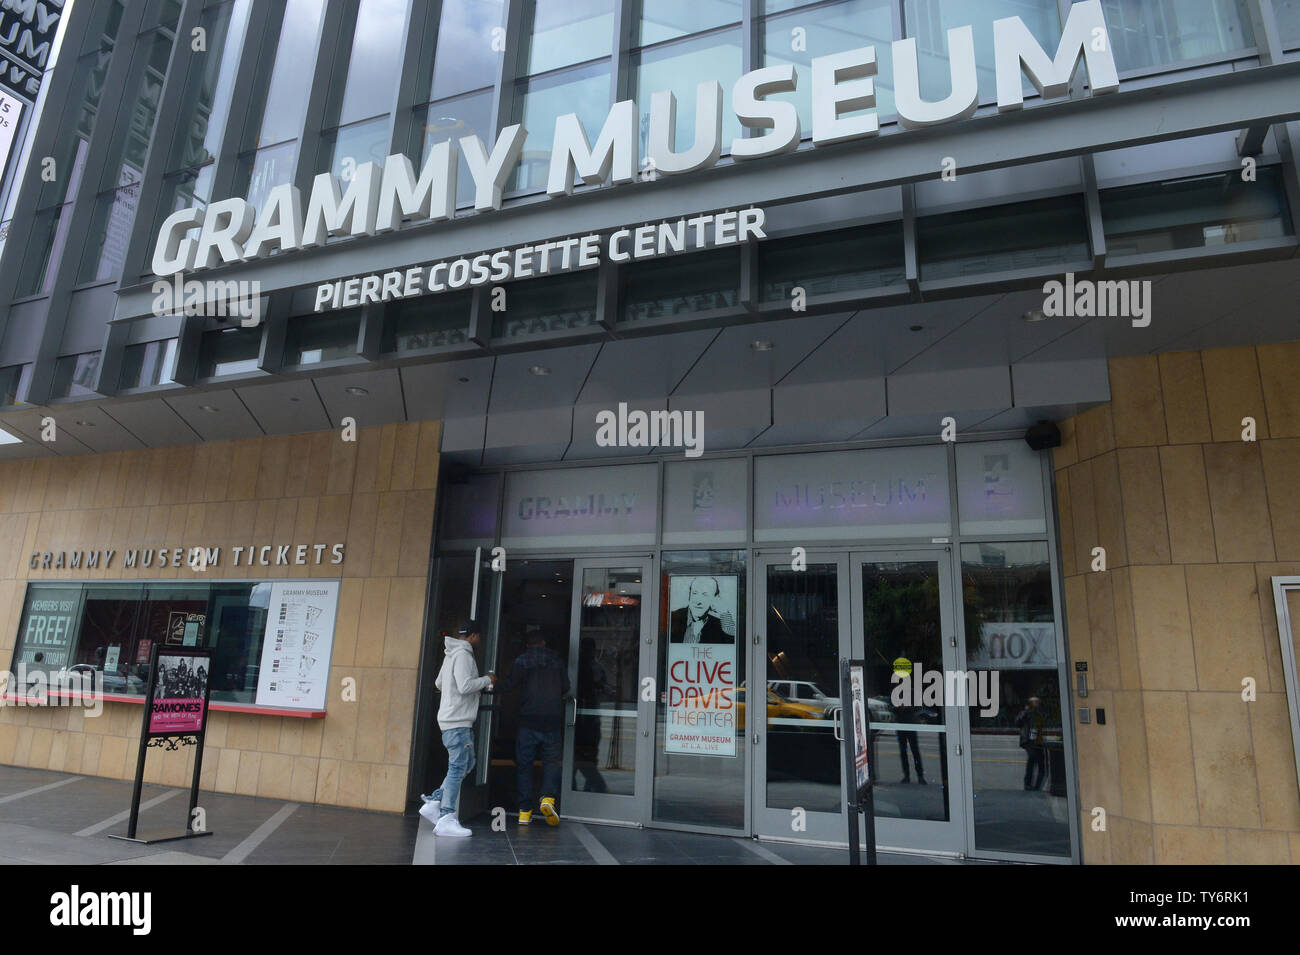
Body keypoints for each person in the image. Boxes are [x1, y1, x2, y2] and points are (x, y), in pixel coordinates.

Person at [420, 623, 495, 837]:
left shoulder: (451, 653)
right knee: (458, 767)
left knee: (466, 763)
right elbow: (464, 686)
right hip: (457, 720)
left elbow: (439, 683)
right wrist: (487, 680)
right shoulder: (463, 655)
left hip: (451, 719)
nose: (480, 640)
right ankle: (446, 817)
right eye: (479, 636)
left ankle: (435, 801)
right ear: (473, 636)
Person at [501, 632, 570, 826]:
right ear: (544, 643)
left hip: (528, 720)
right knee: (551, 762)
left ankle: (524, 811)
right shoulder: (557, 661)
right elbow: (566, 687)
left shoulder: (521, 661)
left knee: (524, 764)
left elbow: (510, 685)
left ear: (527, 645)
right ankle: (547, 799)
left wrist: (489, 686)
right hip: (552, 720)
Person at [670, 577, 728, 644]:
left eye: (705, 595)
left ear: (714, 599)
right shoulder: (672, 618)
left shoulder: (721, 628)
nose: (698, 601)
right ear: (689, 595)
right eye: (695, 593)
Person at [1016, 695, 1047, 791]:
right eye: (1034, 702)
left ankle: (1036, 786)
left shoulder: (1038, 713)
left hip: (1037, 740)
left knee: (1039, 763)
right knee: (1032, 759)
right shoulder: (1026, 713)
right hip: (1029, 741)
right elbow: (1017, 722)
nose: (1036, 704)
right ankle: (1029, 784)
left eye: (1037, 702)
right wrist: (1025, 712)